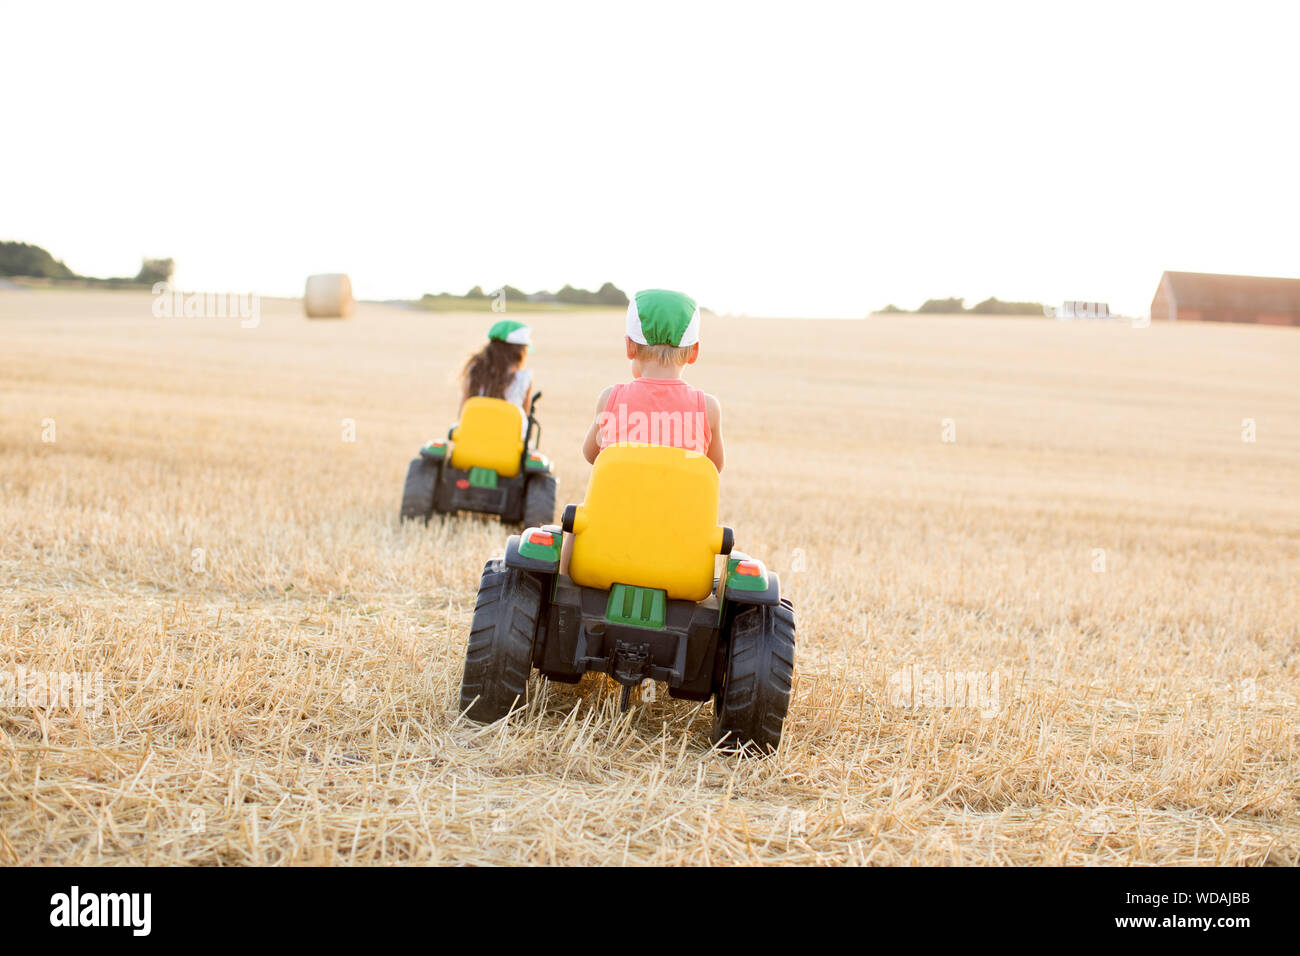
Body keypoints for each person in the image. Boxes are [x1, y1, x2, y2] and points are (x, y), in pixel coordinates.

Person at [460, 319, 534, 432]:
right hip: (509, 442)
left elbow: (463, 412)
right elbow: (525, 417)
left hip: (474, 436)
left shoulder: (474, 372)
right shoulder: (524, 379)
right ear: (520, 352)